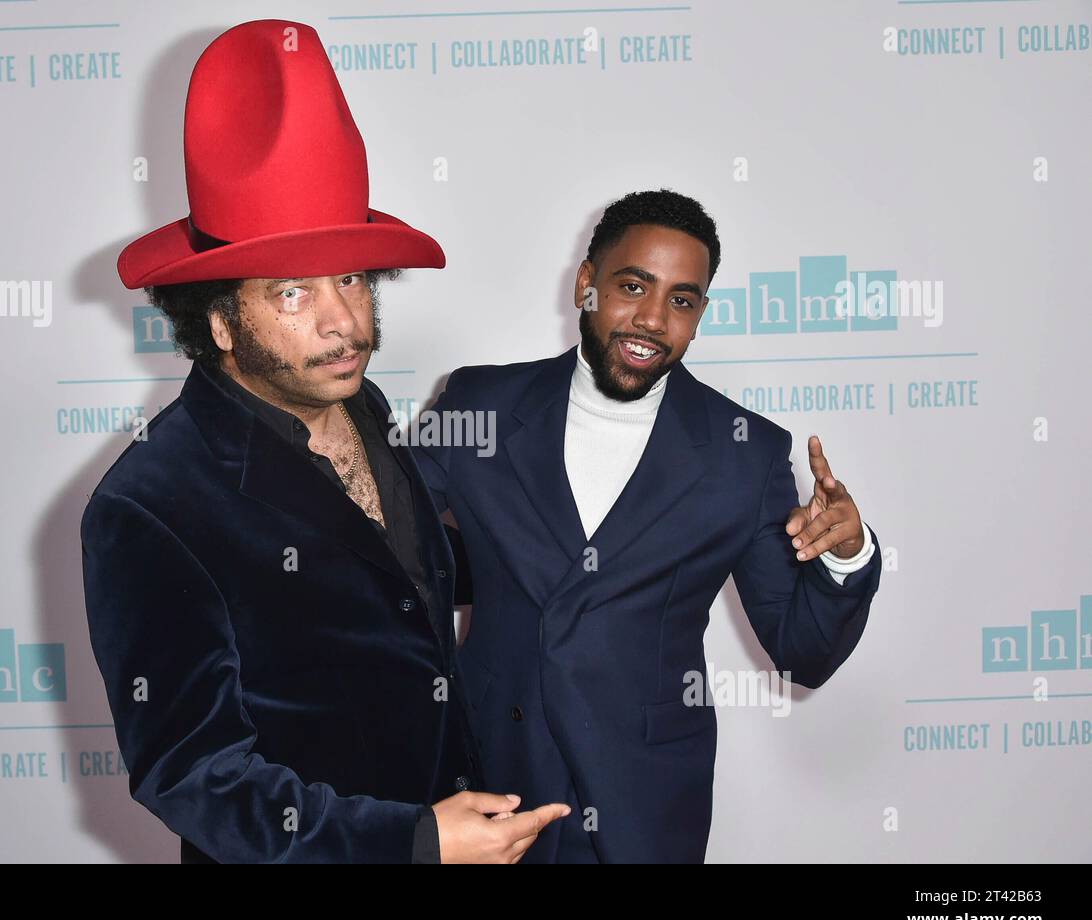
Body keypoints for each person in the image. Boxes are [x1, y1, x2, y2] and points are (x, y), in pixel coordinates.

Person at [81, 19, 567, 864]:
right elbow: (194, 776)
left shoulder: (363, 409)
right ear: (221, 323)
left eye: (350, 278)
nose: (345, 321)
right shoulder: (149, 506)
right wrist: (413, 842)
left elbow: (398, 604)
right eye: (293, 294)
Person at [415, 189, 881, 862]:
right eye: (633, 286)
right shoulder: (480, 405)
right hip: (492, 782)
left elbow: (802, 652)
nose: (653, 320)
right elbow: (384, 541)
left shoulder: (742, 453)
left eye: (682, 300)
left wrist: (846, 556)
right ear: (586, 284)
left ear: (700, 315)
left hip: (644, 803)